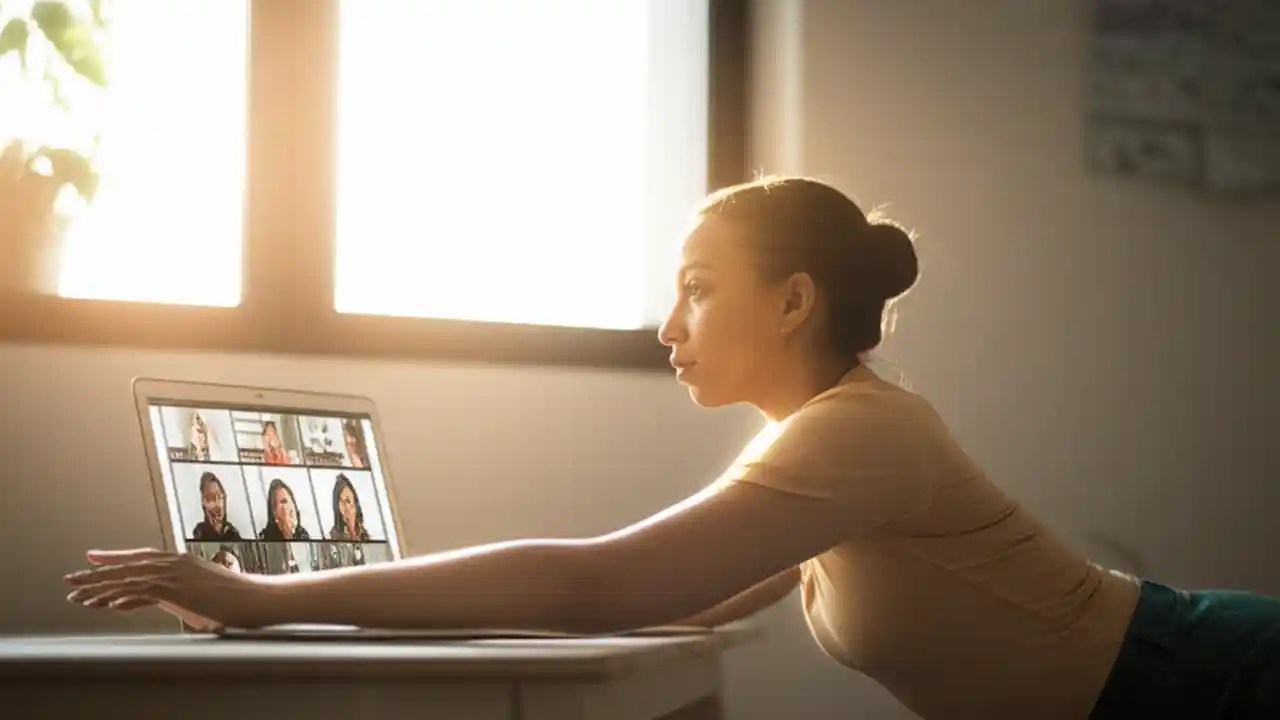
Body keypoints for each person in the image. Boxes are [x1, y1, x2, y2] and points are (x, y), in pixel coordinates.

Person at [65, 177, 1280, 718]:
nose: (668, 325)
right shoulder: (820, 447)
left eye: (697, 289)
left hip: (1203, 680)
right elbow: (674, 597)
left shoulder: (860, 435)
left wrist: (269, 601)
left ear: (794, 302)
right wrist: (341, 603)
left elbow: (608, 578)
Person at [190, 472, 241, 542]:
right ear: (204, 502)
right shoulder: (200, 534)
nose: (218, 504)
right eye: (211, 498)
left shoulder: (233, 533)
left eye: (220, 497)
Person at [328, 473, 371, 543]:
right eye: (341, 502)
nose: (346, 507)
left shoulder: (364, 535)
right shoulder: (333, 538)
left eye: (348, 501)